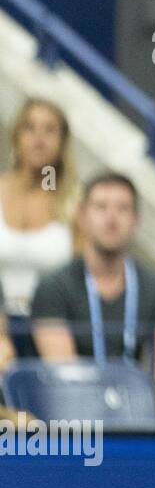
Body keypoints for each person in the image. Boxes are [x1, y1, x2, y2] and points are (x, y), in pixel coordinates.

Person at [30, 173, 155, 380]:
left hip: (136, 406)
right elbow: (63, 376)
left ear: (136, 220)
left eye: (122, 208)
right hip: (75, 407)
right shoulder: (53, 287)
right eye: (101, 207)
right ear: (81, 217)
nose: (111, 218)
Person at [0, 99, 77, 335]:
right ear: (15, 137)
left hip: (55, 327)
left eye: (50, 130)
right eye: (30, 128)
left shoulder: (76, 204)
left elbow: (84, 282)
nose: (39, 139)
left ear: (63, 142)